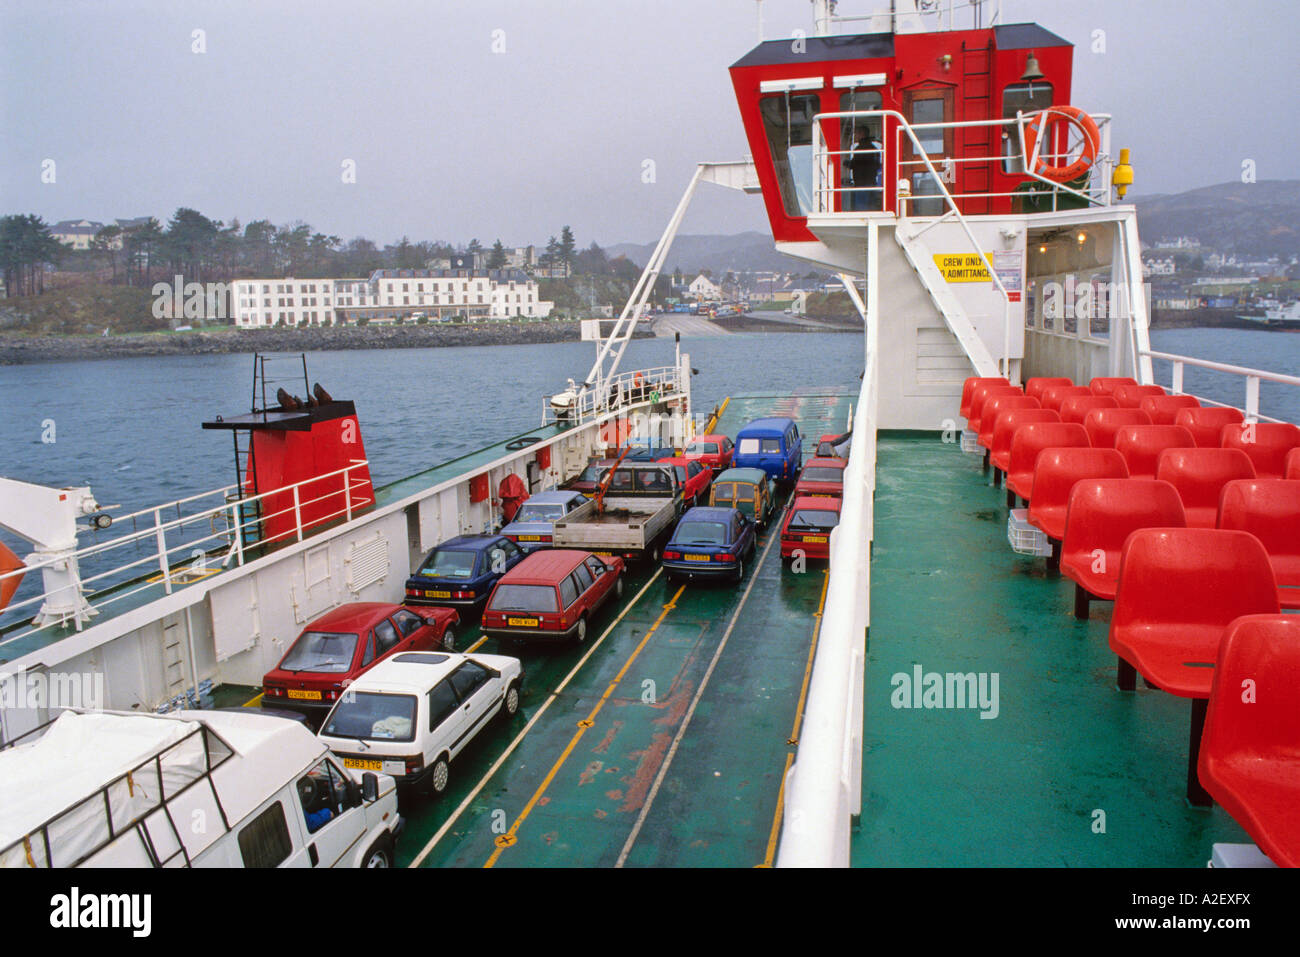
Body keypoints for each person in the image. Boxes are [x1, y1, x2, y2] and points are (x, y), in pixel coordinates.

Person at [847, 129, 882, 211]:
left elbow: (855, 164)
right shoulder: (875, 149)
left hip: (861, 183)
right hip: (872, 182)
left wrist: (846, 163)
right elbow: (876, 165)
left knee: (861, 208)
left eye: (856, 134)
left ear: (861, 134)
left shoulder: (860, 148)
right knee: (871, 207)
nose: (855, 136)